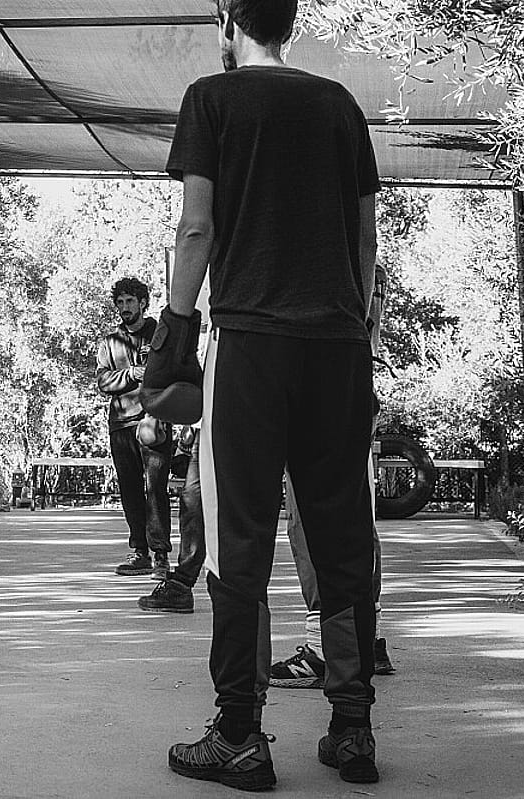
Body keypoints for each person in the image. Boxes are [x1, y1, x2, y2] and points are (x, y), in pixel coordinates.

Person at [153, 0, 383, 788]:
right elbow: (365, 241)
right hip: (339, 344)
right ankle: (353, 728)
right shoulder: (339, 105)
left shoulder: (210, 100)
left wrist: (173, 333)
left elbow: (196, 230)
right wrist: (356, 328)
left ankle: (240, 733)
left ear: (229, 20)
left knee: (238, 536)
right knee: (342, 532)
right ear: (288, 19)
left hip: (249, 345)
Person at [271, 264, 396, 686]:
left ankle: (324, 649)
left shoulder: (315, 262)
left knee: (309, 517)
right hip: (351, 388)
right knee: (357, 515)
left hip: (320, 387)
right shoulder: (360, 264)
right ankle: (367, 639)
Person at [95, 278, 174, 580]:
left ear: (143, 302)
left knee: (155, 489)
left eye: (130, 301)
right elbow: (103, 382)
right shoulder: (110, 342)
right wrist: (130, 374)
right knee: (129, 488)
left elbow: (175, 369)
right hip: (121, 423)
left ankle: (161, 555)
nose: (125, 307)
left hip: (154, 421)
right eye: (120, 302)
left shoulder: (159, 334)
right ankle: (139, 552)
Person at [137, 426, 204, 613]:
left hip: (251, 421)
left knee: (196, 500)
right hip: (210, 427)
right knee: (193, 499)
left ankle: (243, 584)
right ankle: (182, 583)